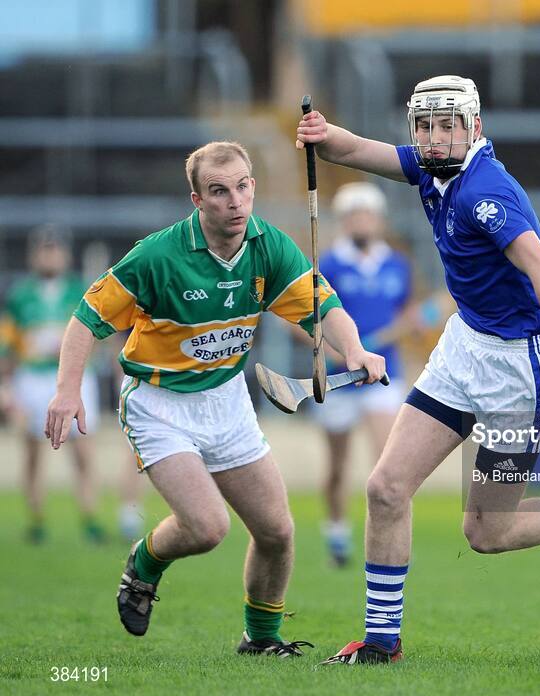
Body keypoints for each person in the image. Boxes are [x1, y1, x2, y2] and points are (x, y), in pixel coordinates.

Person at [296, 74, 540, 665]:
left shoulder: (484, 192)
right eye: (425, 125)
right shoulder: (428, 167)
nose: (435, 137)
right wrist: (321, 134)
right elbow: (353, 150)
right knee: (386, 489)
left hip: (524, 368)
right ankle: (381, 642)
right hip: (463, 347)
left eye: (449, 125)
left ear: (475, 129)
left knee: (485, 534)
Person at [45, 141, 386, 657]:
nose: (235, 201)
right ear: (197, 199)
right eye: (219, 191)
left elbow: (323, 307)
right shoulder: (156, 256)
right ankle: (144, 564)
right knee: (206, 527)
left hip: (225, 398)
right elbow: (85, 319)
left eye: (243, 187)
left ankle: (261, 639)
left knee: (276, 531)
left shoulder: (269, 246)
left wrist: (355, 349)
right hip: (159, 403)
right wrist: (67, 390)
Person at [313, 182, 413, 566]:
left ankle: (385, 538)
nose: (362, 222)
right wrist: (332, 348)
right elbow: (304, 316)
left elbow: (407, 313)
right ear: (343, 221)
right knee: (338, 466)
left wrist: (392, 333)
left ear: (379, 220)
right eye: (354, 215)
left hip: (383, 375)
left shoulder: (397, 264)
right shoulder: (329, 265)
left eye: (368, 215)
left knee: (386, 462)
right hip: (339, 381)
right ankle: (337, 532)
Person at [0, 225, 108, 544]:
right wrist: (6, 386)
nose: (50, 255)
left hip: (73, 376)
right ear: (35, 255)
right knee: (33, 450)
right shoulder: (20, 294)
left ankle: (90, 517)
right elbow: (8, 343)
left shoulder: (80, 290)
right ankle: (36, 518)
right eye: (44, 250)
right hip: (32, 377)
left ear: (65, 254)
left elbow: (98, 334)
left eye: (55, 249)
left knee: (83, 451)